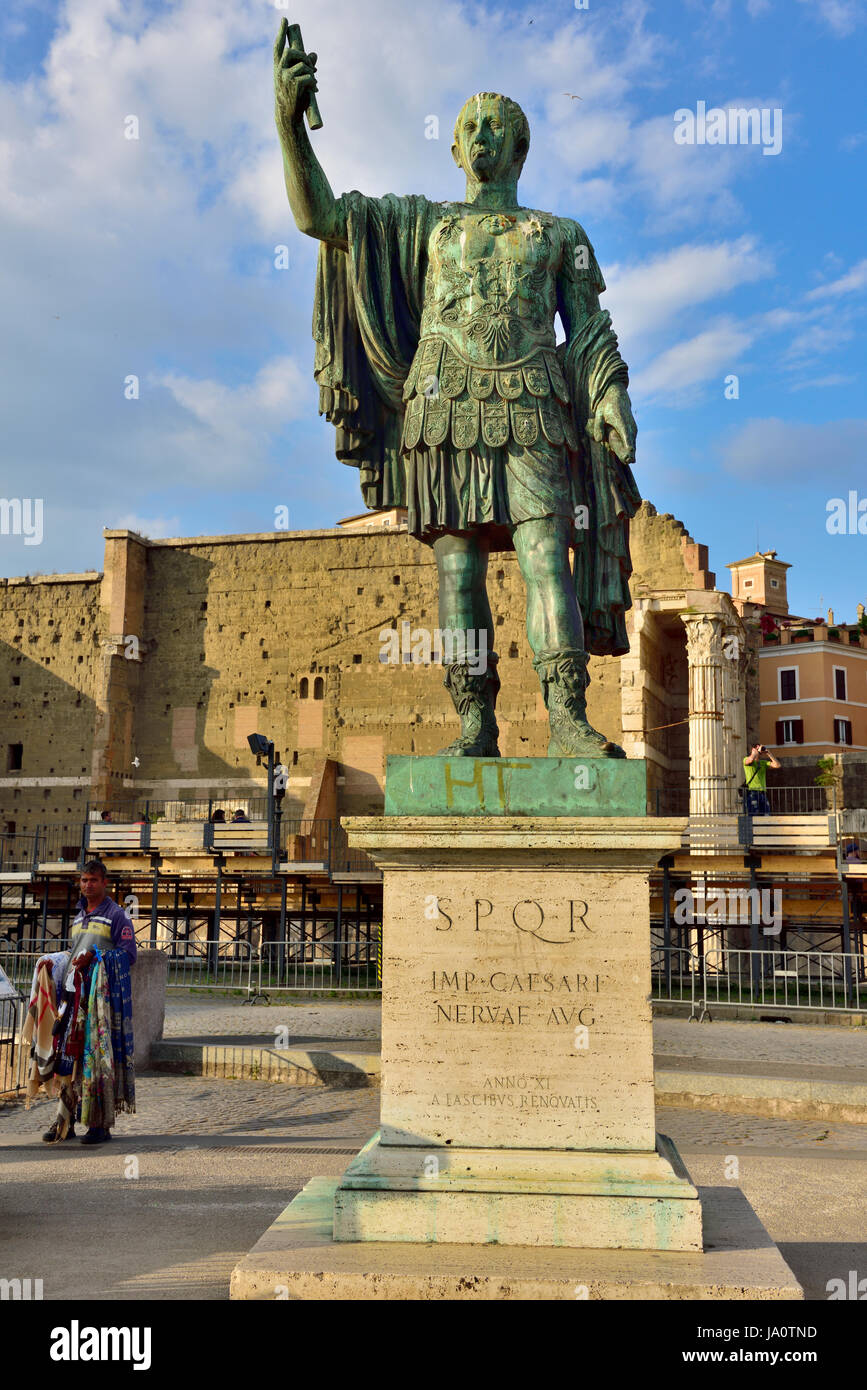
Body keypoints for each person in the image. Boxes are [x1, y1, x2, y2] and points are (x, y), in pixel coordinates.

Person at [274, 30, 639, 759]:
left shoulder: (559, 232)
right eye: (468, 126)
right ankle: (474, 723)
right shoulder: (423, 223)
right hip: (443, 408)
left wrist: (608, 396)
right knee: (457, 570)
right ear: (453, 150)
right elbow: (318, 217)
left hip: (535, 402)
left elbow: (591, 328)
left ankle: (566, 717)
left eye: (495, 126)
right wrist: (288, 124)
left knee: (544, 554)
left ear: (519, 150)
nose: (481, 136)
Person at [39, 860, 137, 1145]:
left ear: (105, 883)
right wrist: (54, 961)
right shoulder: (79, 915)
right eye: (83, 880)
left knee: (96, 1061)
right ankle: (64, 1122)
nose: (87, 885)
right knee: (68, 1058)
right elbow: (74, 951)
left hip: (98, 1003)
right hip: (74, 997)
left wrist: (96, 958)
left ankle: (99, 1124)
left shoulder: (117, 916)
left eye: (93, 880)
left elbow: (128, 955)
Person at [743, 743, 780, 816]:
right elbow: (750, 760)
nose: (759, 750)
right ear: (753, 750)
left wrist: (769, 753)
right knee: (753, 817)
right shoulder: (746, 760)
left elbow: (777, 765)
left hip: (762, 793)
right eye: (757, 748)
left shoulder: (763, 763)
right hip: (752, 792)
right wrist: (755, 752)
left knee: (766, 816)